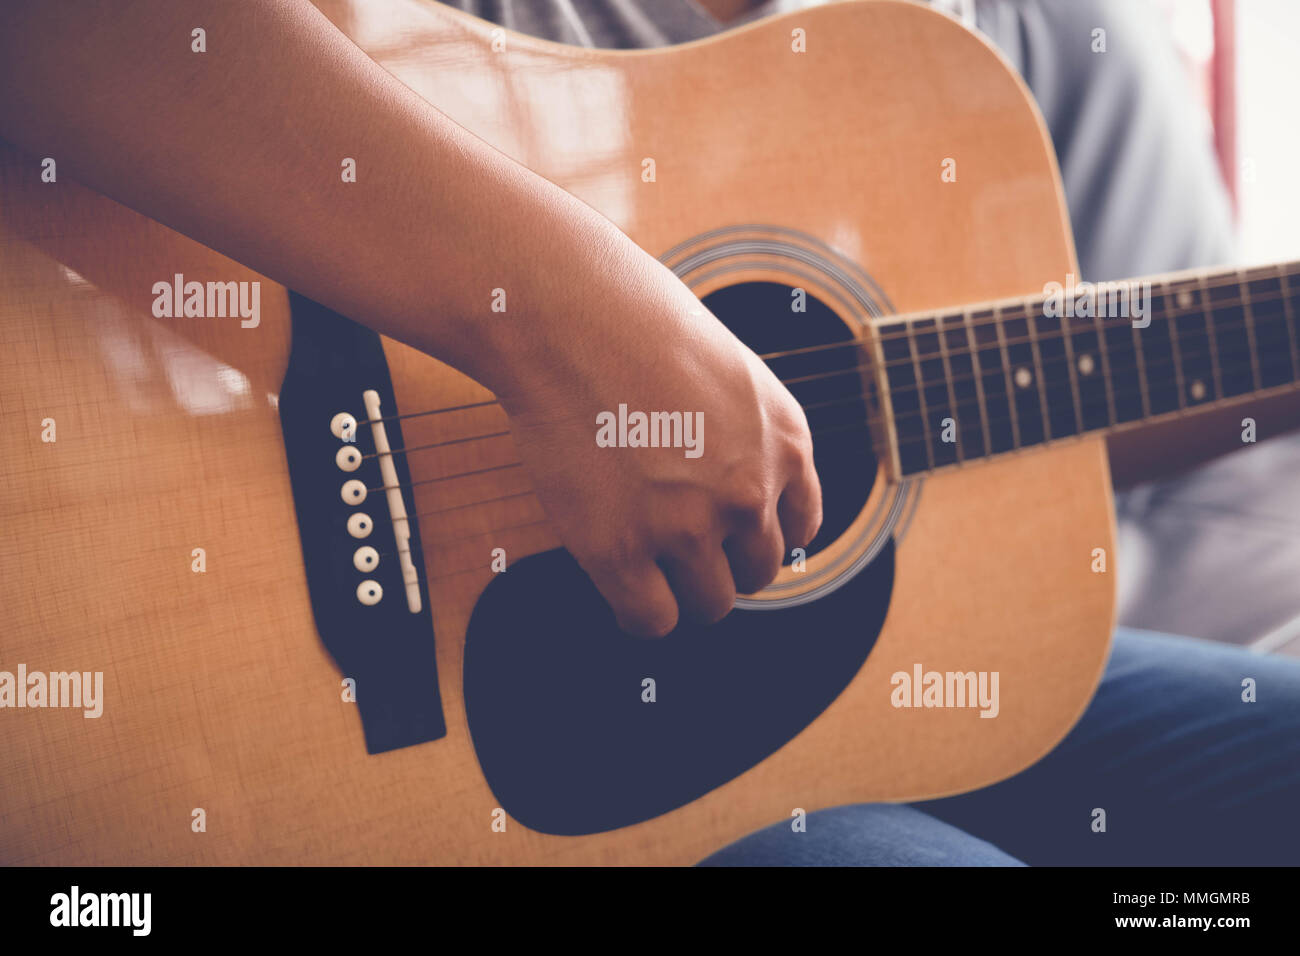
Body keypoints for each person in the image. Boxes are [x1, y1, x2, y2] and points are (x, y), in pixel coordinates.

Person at [2, 0, 1297, 866]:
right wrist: (557, 319)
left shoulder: (941, 44)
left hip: (837, 699)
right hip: (403, 745)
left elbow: (922, 410)